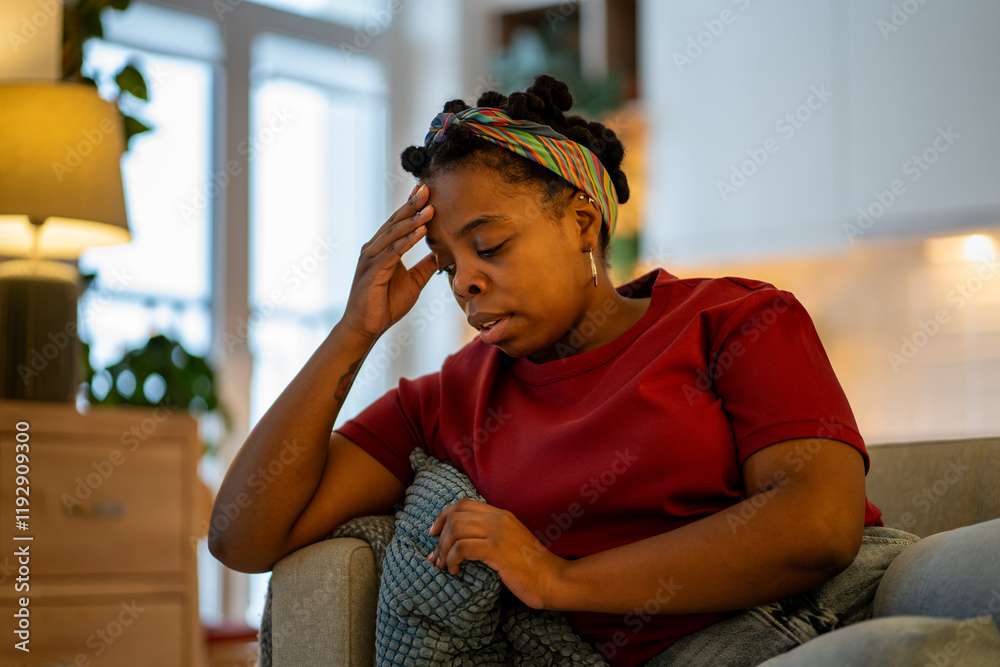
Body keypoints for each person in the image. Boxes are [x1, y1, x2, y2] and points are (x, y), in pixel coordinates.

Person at [209, 75, 998, 666]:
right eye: (446, 264)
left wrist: (558, 578)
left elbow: (820, 525)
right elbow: (242, 535)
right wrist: (354, 332)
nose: (464, 282)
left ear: (582, 221)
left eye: (490, 244)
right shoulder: (450, 397)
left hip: (859, 585)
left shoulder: (734, 317)